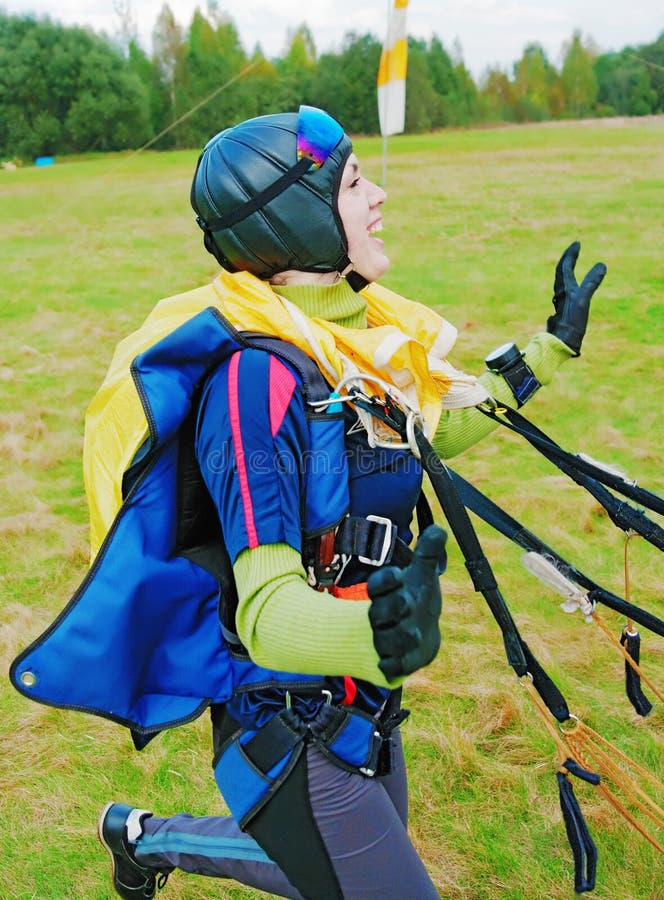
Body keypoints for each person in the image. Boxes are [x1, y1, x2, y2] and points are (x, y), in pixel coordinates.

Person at [10, 106, 606, 899]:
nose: (380, 194)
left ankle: (142, 838)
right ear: (295, 215)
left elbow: (423, 433)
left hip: (363, 709)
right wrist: (377, 634)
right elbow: (264, 611)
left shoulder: (347, 346)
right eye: (355, 183)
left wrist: (546, 350)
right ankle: (152, 837)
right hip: (288, 730)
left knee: (327, 872)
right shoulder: (259, 383)